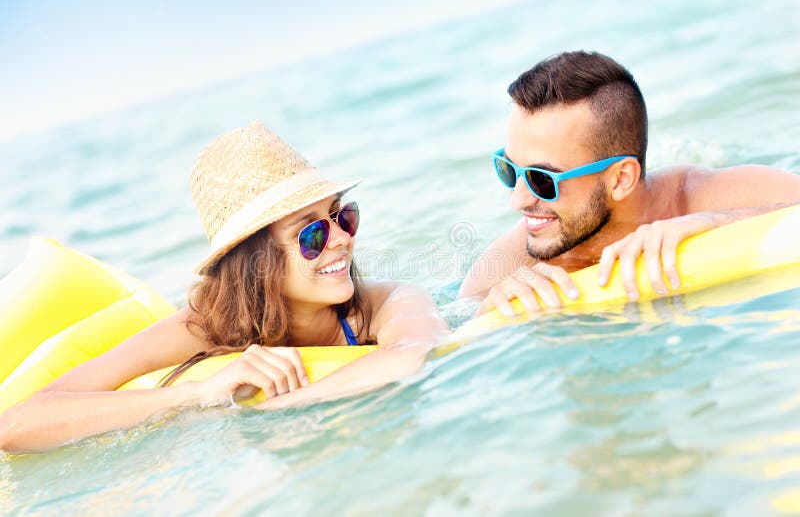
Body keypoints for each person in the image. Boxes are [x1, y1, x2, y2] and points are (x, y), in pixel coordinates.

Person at [0, 122, 448, 453]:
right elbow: (18, 424)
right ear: (256, 262)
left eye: (342, 215)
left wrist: (262, 408)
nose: (343, 238)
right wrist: (199, 394)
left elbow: (414, 353)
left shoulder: (385, 303)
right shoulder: (207, 327)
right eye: (311, 235)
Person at [459, 51, 800, 315]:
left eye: (541, 180)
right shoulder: (515, 259)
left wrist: (712, 223)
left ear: (621, 179)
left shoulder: (698, 197)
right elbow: (450, 333)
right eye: (509, 169)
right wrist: (487, 310)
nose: (517, 201)